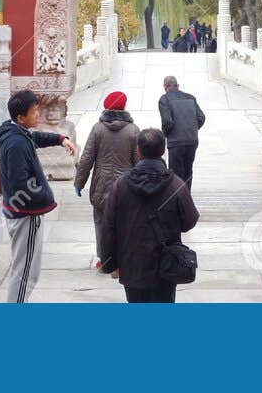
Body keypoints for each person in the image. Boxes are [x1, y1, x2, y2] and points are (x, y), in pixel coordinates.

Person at [0, 88, 76, 302]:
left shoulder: (17, 133)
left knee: (25, 268)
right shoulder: (16, 144)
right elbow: (18, 183)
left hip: (22, 212)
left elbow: (36, 137)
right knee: (26, 273)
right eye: (34, 112)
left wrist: (61, 139)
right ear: (21, 117)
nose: (38, 115)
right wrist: (45, 197)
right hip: (25, 215)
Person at [101, 127, 199, 303]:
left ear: (138, 151)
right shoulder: (176, 184)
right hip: (166, 265)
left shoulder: (120, 185)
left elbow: (108, 226)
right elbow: (189, 222)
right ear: (163, 150)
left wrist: (109, 262)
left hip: (132, 265)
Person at [72, 90, 140, 270]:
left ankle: (104, 260)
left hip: (101, 186)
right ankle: (122, 261)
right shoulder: (133, 130)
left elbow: (87, 158)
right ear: (124, 107)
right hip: (125, 187)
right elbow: (139, 161)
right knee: (124, 224)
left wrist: (79, 183)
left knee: (101, 223)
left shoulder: (98, 129)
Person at [157, 75, 205, 189]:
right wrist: (191, 128)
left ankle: (177, 200)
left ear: (165, 87)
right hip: (192, 140)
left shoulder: (165, 99)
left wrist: (166, 134)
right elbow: (201, 117)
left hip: (176, 142)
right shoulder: (191, 98)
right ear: (177, 86)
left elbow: (167, 121)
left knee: (176, 175)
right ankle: (187, 197)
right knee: (188, 171)